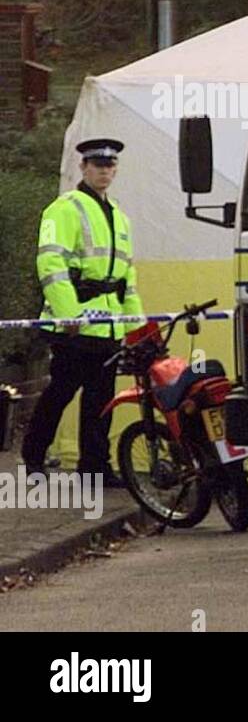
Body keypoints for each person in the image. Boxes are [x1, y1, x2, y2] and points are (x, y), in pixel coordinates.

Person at [24, 139, 143, 487]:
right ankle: (33, 456)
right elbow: (51, 263)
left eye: (109, 165)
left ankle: (94, 468)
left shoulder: (119, 215)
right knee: (61, 391)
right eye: (97, 164)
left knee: (100, 400)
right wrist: (67, 313)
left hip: (107, 326)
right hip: (74, 325)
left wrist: (134, 325)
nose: (104, 170)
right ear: (84, 168)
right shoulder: (66, 208)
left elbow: (127, 277)